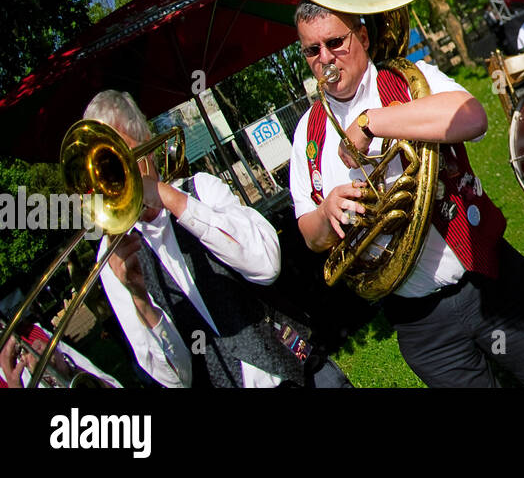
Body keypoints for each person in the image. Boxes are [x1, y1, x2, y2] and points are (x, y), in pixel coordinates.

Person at [289, 2, 524, 387]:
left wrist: (371, 122)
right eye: (313, 50)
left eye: (335, 42)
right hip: (419, 321)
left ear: (362, 37)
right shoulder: (306, 134)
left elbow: (471, 116)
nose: (326, 57)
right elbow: (311, 236)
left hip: (486, 280)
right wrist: (327, 211)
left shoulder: (408, 80)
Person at [86, 90, 341, 388]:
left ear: (148, 146)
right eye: (111, 171)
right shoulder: (112, 256)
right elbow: (174, 379)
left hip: (296, 367)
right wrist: (141, 301)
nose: (124, 180)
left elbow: (267, 263)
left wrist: (174, 200)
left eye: (126, 159)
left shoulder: (200, 190)